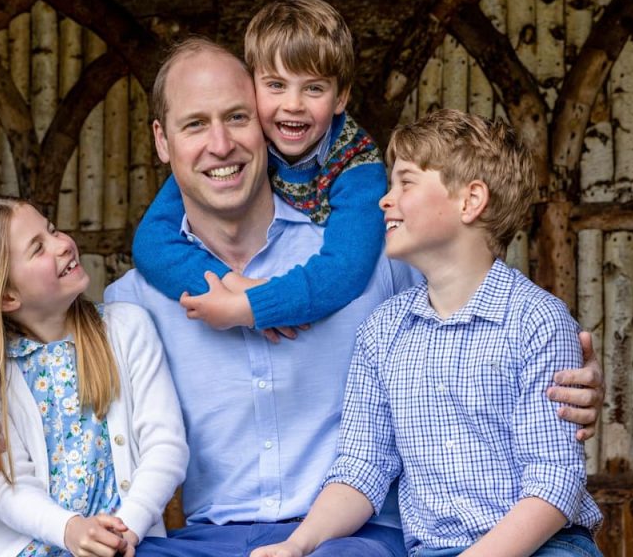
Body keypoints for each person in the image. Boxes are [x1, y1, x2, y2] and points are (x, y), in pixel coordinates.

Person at [105, 39, 603, 557]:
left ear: (266, 126)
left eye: (237, 117)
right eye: (194, 125)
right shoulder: (132, 306)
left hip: (358, 536)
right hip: (211, 539)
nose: (221, 143)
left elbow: (477, 302)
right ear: (162, 140)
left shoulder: (371, 258)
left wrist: (570, 379)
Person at [252, 110, 603, 557]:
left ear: (470, 200)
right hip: (434, 548)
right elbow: (362, 468)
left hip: (547, 546)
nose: (386, 199)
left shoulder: (536, 321)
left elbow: (554, 480)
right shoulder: (382, 331)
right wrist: (297, 545)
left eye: (406, 183)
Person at [0, 196, 188, 557]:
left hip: (127, 543)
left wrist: (126, 530)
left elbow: (165, 445)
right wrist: (70, 530)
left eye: (53, 230)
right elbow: (8, 485)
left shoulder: (127, 328)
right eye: (38, 248)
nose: (62, 244)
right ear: (7, 296)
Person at [132, 0, 385, 336]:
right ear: (252, 88)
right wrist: (231, 284)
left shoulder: (358, 165)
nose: (292, 105)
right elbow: (151, 243)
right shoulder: (249, 142)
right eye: (276, 85)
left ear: (340, 98)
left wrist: (254, 306)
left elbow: (346, 269)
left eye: (313, 88)